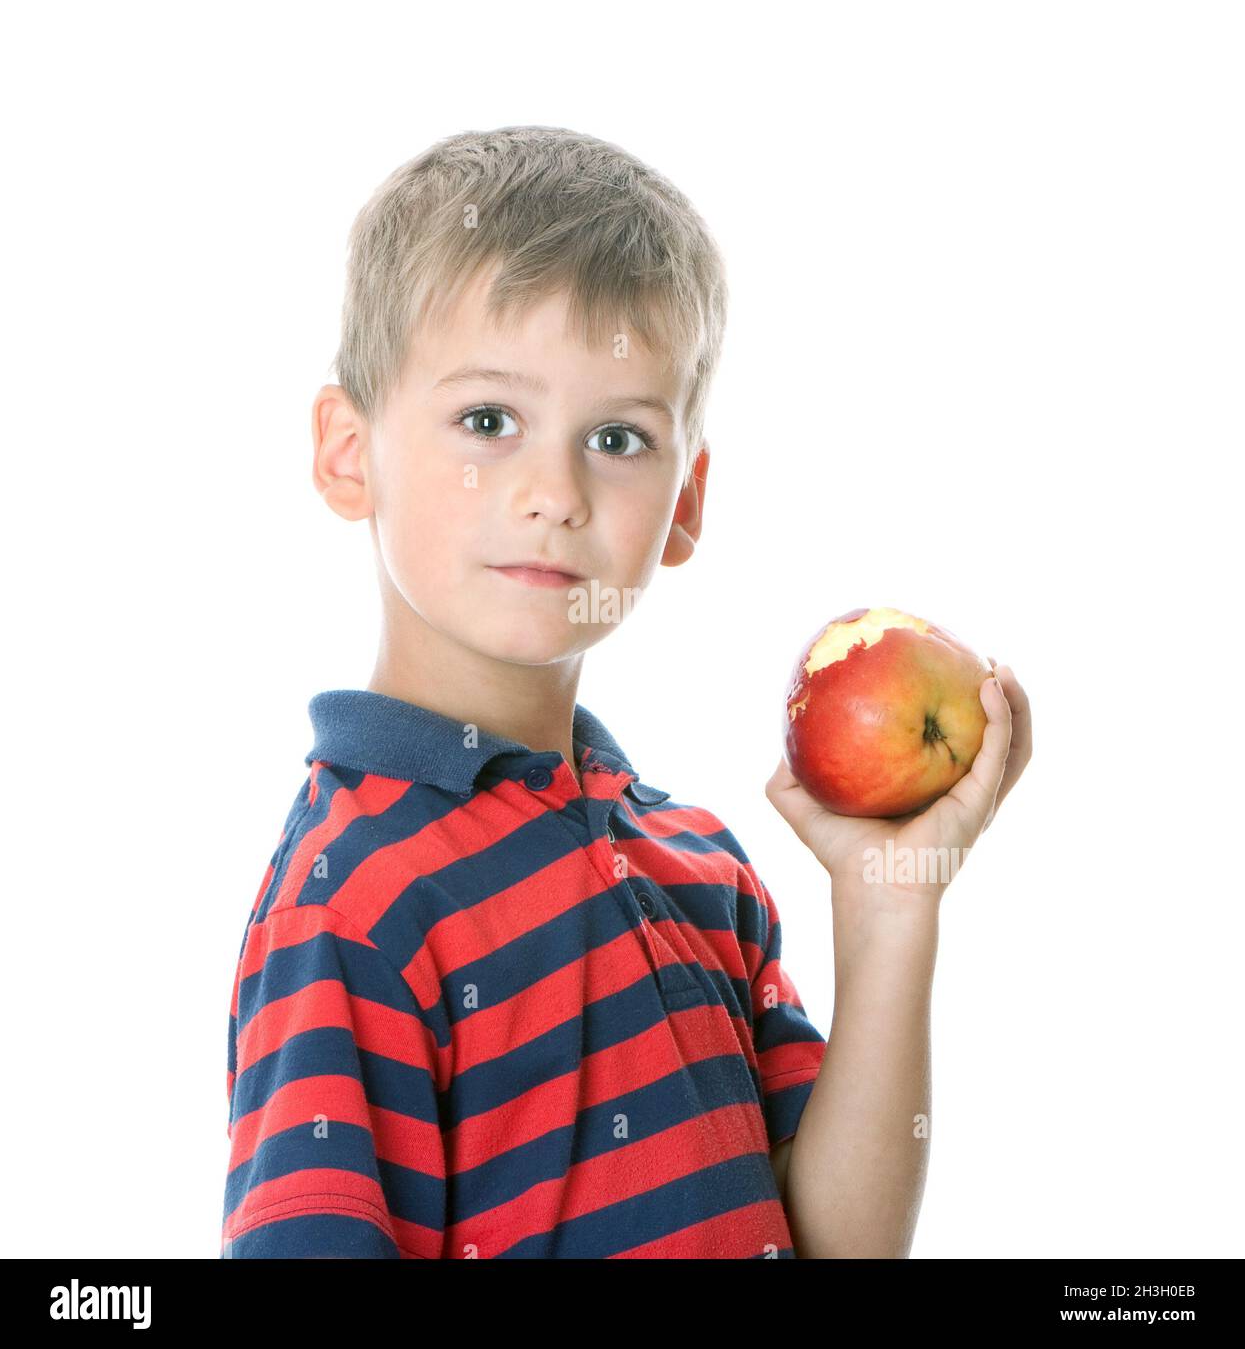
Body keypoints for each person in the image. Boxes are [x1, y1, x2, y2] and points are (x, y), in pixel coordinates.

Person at [219, 126, 1032, 1259]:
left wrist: (890, 909)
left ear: (687, 501)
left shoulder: (698, 866)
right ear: (350, 451)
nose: (553, 490)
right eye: (488, 421)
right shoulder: (353, 902)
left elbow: (841, 1243)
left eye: (617, 436)